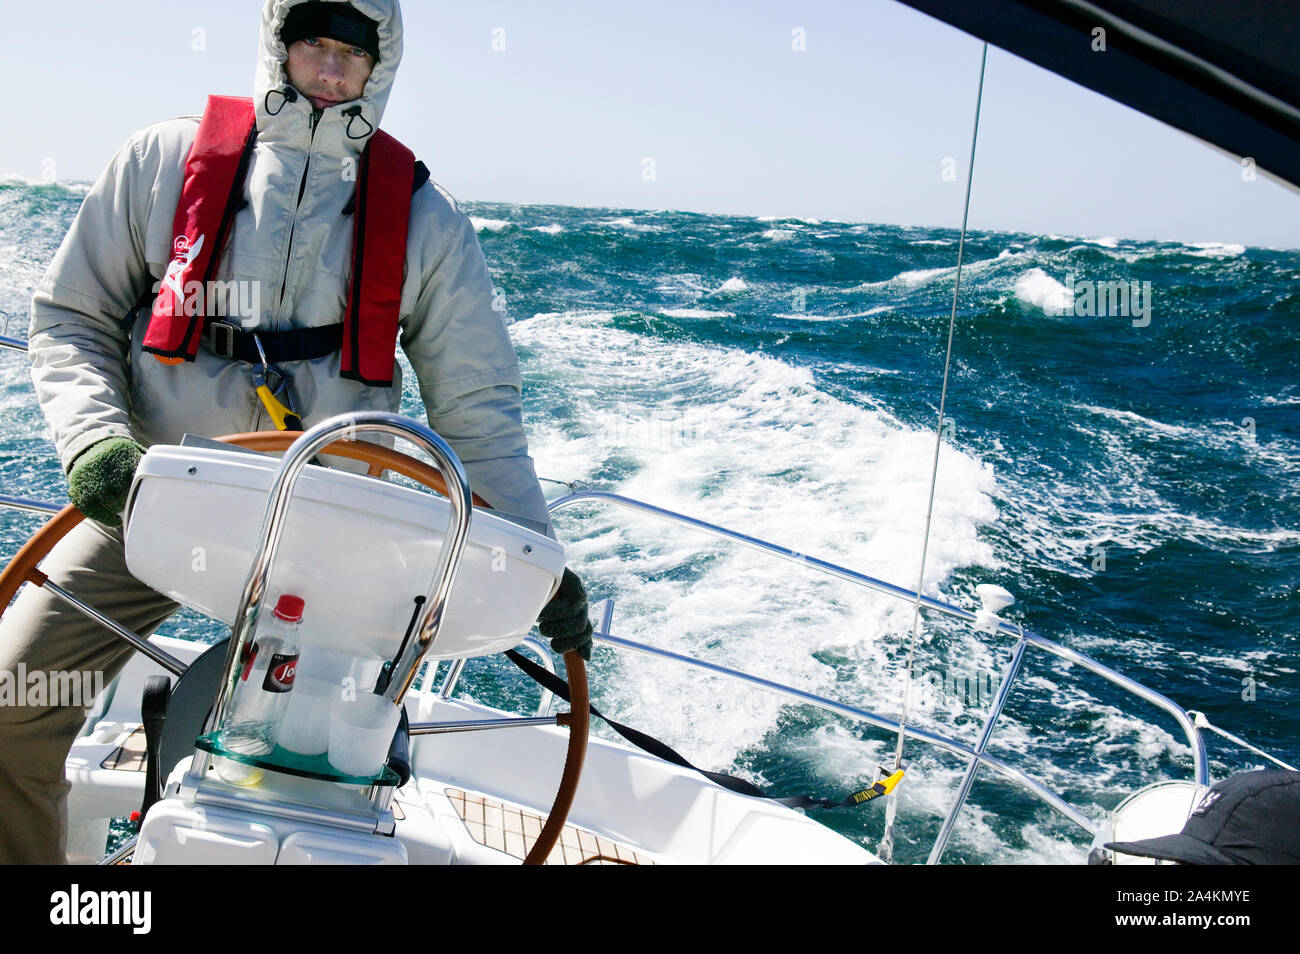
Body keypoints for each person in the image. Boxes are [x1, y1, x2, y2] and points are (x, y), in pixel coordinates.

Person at [0, 0, 591, 864]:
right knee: (13, 697)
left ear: (378, 67)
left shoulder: (427, 220)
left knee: (318, 769)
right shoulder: (164, 161)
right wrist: (97, 448)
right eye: (311, 41)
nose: (328, 66)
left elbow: (478, 410)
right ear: (279, 46)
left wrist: (540, 561)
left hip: (333, 533)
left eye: (351, 51)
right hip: (149, 497)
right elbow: (71, 319)